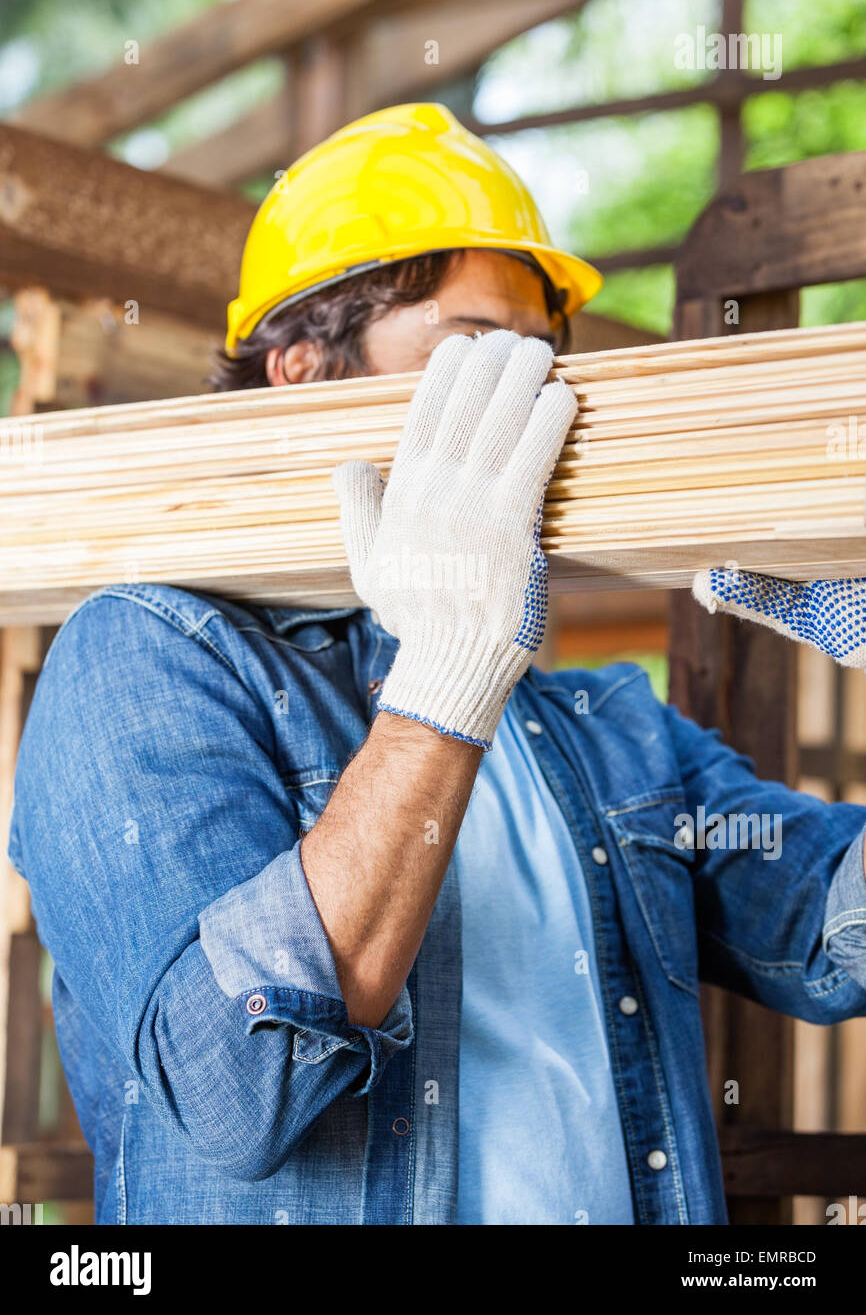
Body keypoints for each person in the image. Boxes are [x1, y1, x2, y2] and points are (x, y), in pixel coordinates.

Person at [10, 103, 866, 1226]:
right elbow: (236, 1090)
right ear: (303, 372)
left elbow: (832, 934)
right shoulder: (148, 657)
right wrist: (443, 676)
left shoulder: (603, 730)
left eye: (542, 359)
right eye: (472, 352)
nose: (527, 401)